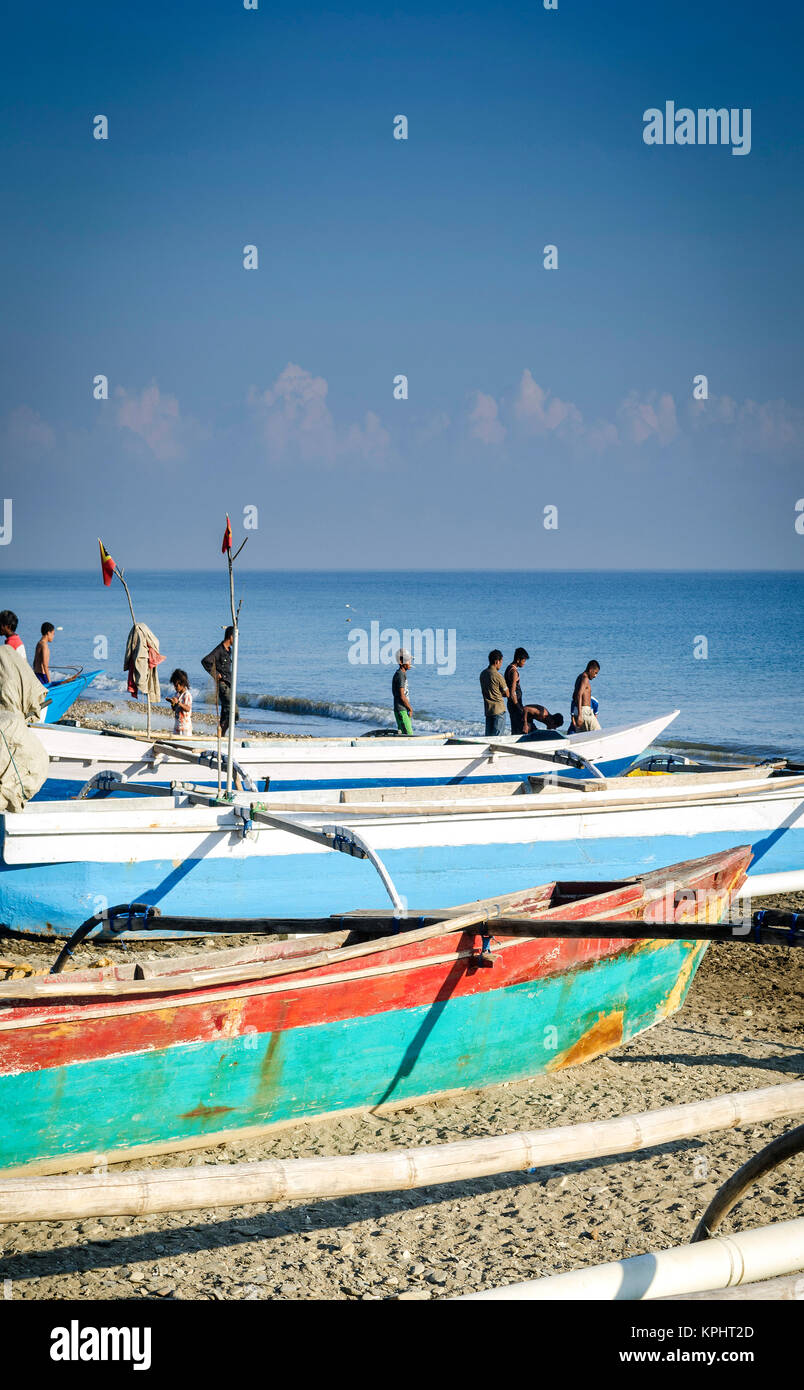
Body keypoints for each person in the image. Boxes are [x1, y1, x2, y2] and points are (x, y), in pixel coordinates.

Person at [504, 647, 563, 735]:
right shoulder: (514, 672)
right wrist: (518, 707)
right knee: (522, 729)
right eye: (523, 661)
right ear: (518, 659)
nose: (524, 663)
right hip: (515, 705)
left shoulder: (509, 668)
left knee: (516, 729)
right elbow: (513, 693)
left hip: (513, 704)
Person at [201, 626, 239, 735]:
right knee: (234, 713)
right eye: (235, 638)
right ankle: (221, 734)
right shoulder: (219, 650)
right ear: (231, 637)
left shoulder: (229, 650)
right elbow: (205, 661)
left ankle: (220, 736)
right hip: (223, 686)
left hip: (228, 684)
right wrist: (215, 674)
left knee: (225, 713)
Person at [479, 650, 509, 737]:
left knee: (488, 738)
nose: (501, 665)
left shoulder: (483, 674)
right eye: (501, 662)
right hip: (499, 710)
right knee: (497, 739)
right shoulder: (498, 676)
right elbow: (507, 694)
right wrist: (500, 693)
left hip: (488, 710)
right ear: (497, 661)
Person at [571, 660, 601, 731]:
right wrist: (580, 715)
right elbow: (579, 695)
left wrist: (577, 713)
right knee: (599, 733)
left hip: (579, 711)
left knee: (583, 737)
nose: (595, 676)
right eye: (595, 673)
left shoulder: (579, 677)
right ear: (590, 670)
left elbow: (574, 695)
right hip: (584, 712)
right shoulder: (585, 678)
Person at [392, 649, 413, 735]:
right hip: (401, 710)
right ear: (401, 662)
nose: (410, 662)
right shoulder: (400, 675)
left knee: (403, 734)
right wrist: (410, 708)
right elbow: (402, 696)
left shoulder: (402, 674)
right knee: (409, 734)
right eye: (408, 660)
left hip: (402, 710)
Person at [167, 668, 193, 737]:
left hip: (185, 726)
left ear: (183, 684)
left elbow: (188, 708)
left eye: (176, 685)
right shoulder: (177, 694)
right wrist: (172, 703)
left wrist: (178, 702)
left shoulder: (187, 695)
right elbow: (174, 709)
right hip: (177, 724)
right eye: (174, 686)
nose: (175, 688)